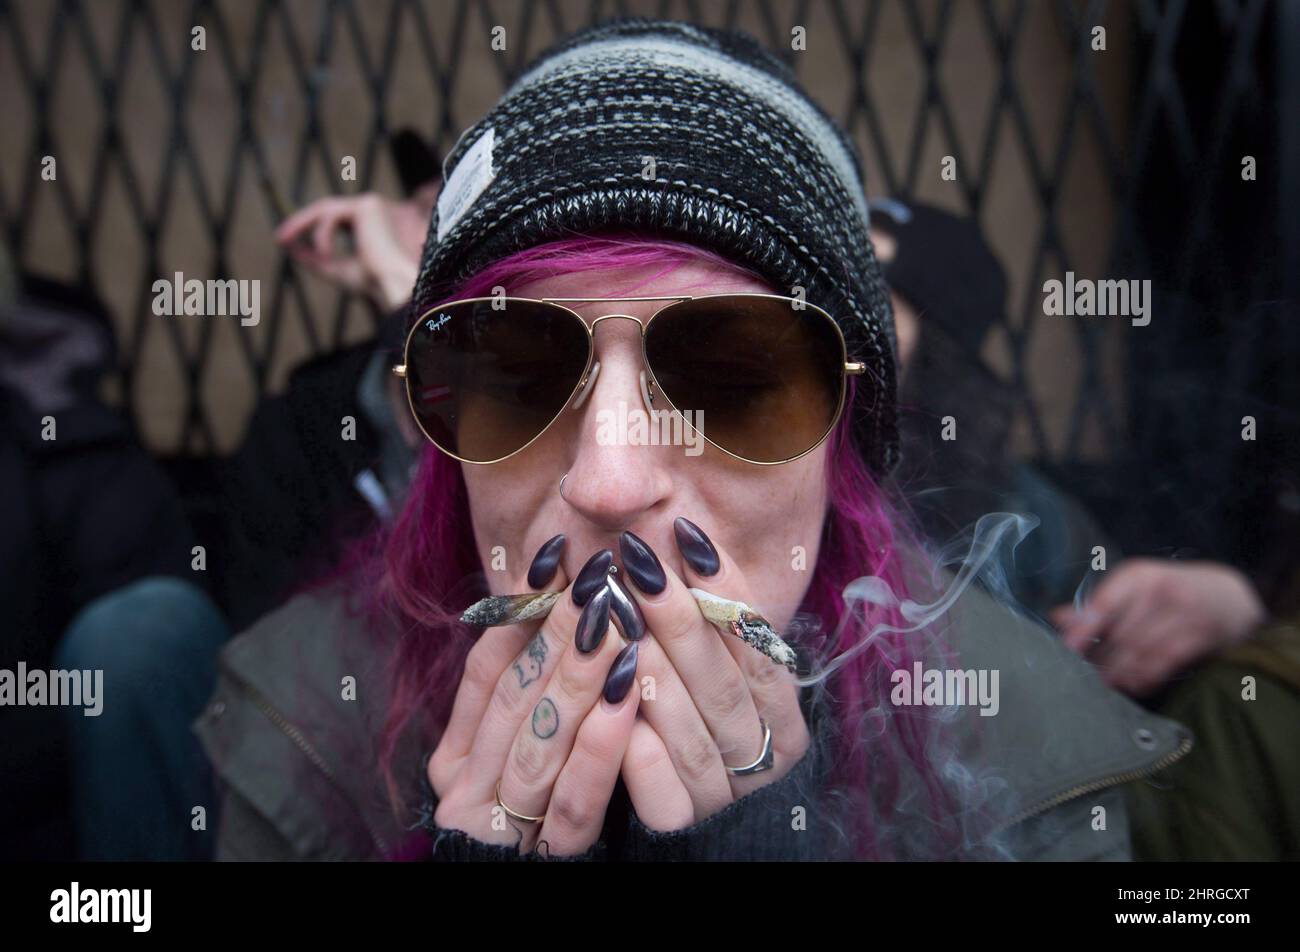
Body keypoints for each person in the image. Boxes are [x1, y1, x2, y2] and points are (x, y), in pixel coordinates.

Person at [195, 17, 1190, 861]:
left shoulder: (1038, 752)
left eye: (729, 382)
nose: (610, 479)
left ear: (845, 439)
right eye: (519, 376)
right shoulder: (303, 721)